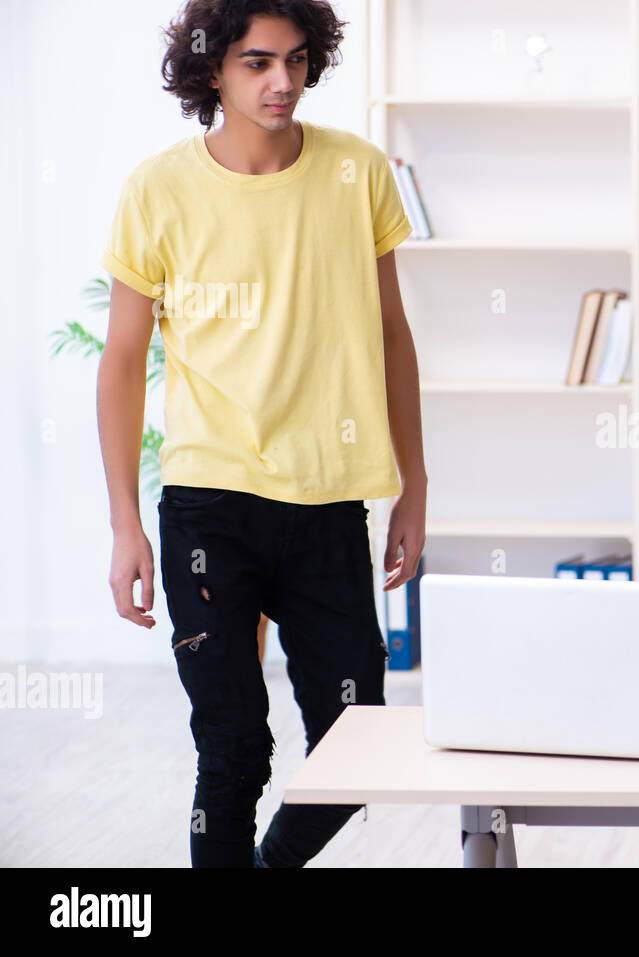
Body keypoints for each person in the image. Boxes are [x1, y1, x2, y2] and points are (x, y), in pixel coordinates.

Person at [96, 0, 426, 867]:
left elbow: (395, 335)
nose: (283, 81)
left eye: (296, 59)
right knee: (233, 750)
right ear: (212, 71)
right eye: (256, 63)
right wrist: (126, 523)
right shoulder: (157, 189)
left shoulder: (357, 174)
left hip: (327, 501)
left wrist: (413, 487)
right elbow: (123, 360)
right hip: (210, 507)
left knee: (358, 752)